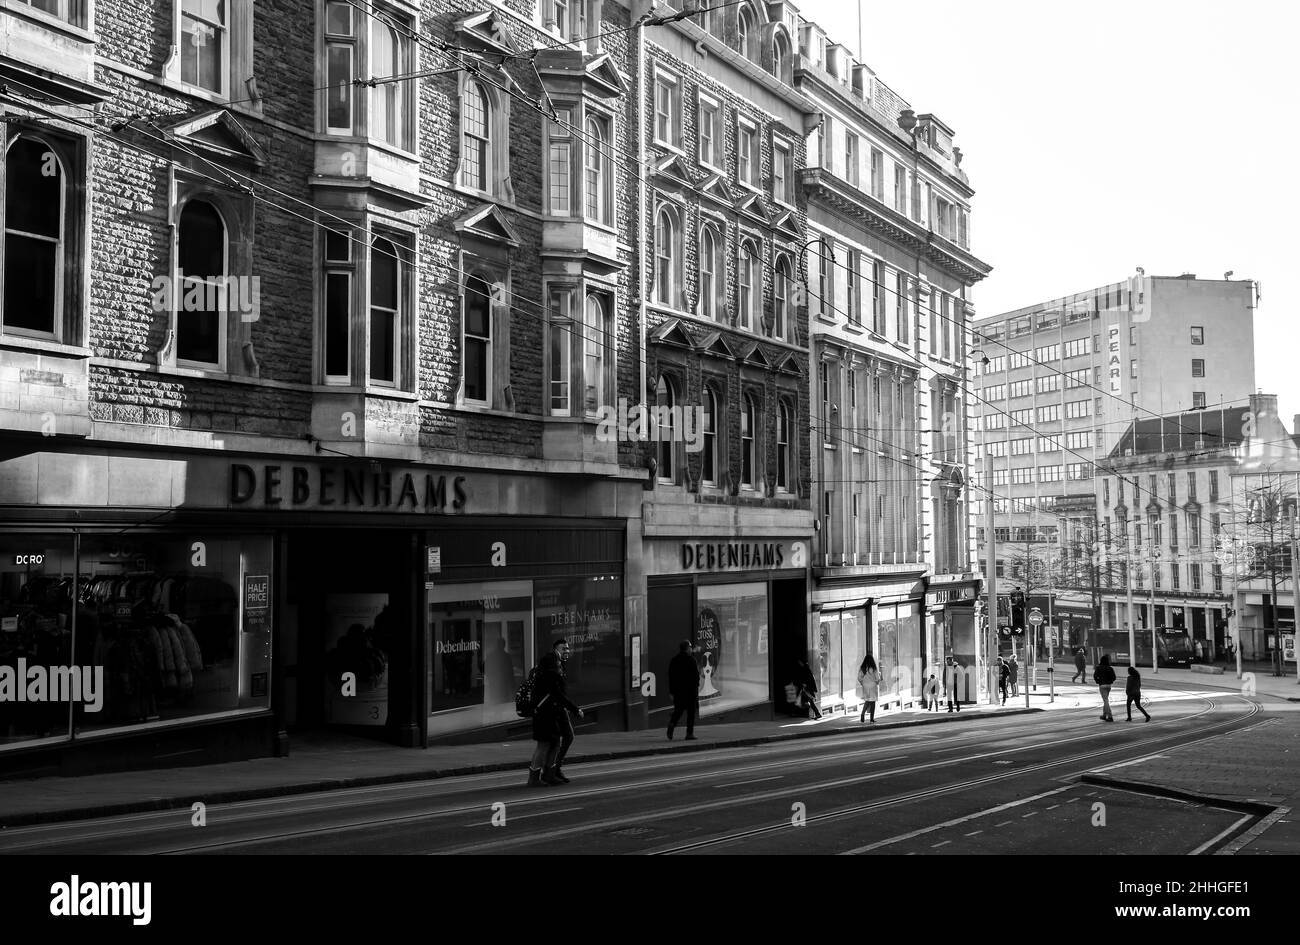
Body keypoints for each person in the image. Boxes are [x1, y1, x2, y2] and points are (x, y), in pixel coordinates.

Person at [526, 639, 584, 787]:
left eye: (568, 649)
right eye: (564, 648)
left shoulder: (557, 662)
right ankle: (535, 777)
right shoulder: (550, 661)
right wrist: (574, 708)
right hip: (545, 710)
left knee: (556, 742)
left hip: (553, 709)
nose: (567, 651)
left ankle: (550, 773)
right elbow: (555, 691)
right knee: (544, 743)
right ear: (555, 648)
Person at [667, 640, 700, 741]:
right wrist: (697, 689)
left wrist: (671, 691)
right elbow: (696, 677)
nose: (691, 649)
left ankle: (672, 723)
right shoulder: (691, 660)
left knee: (678, 710)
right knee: (691, 713)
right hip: (690, 691)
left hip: (678, 692)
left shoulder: (674, 660)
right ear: (687, 648)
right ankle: (689, 734)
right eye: (690, 647)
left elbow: (671, 677)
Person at [858, 655, 882, 723]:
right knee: (872, 702)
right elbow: (877, 678)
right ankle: (871, 719)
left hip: (865, 686)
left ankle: (862, 714)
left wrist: (862, 683)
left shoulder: (862, 668)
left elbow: (859, 678)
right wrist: (877, 682)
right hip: (872, 686)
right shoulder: (873, 668)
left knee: (867, 701)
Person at [1094, 653, 1116, 722]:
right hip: (1108, 686)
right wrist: (1110, 681)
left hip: (1102, 685)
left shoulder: (1098, 667)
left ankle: (1110, 716)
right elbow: (1114, 677)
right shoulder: (1110, 668)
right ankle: (1104, 715)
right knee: (1105, 700)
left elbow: (1095, 676)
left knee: (1106, 701)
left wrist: (1098, 681)